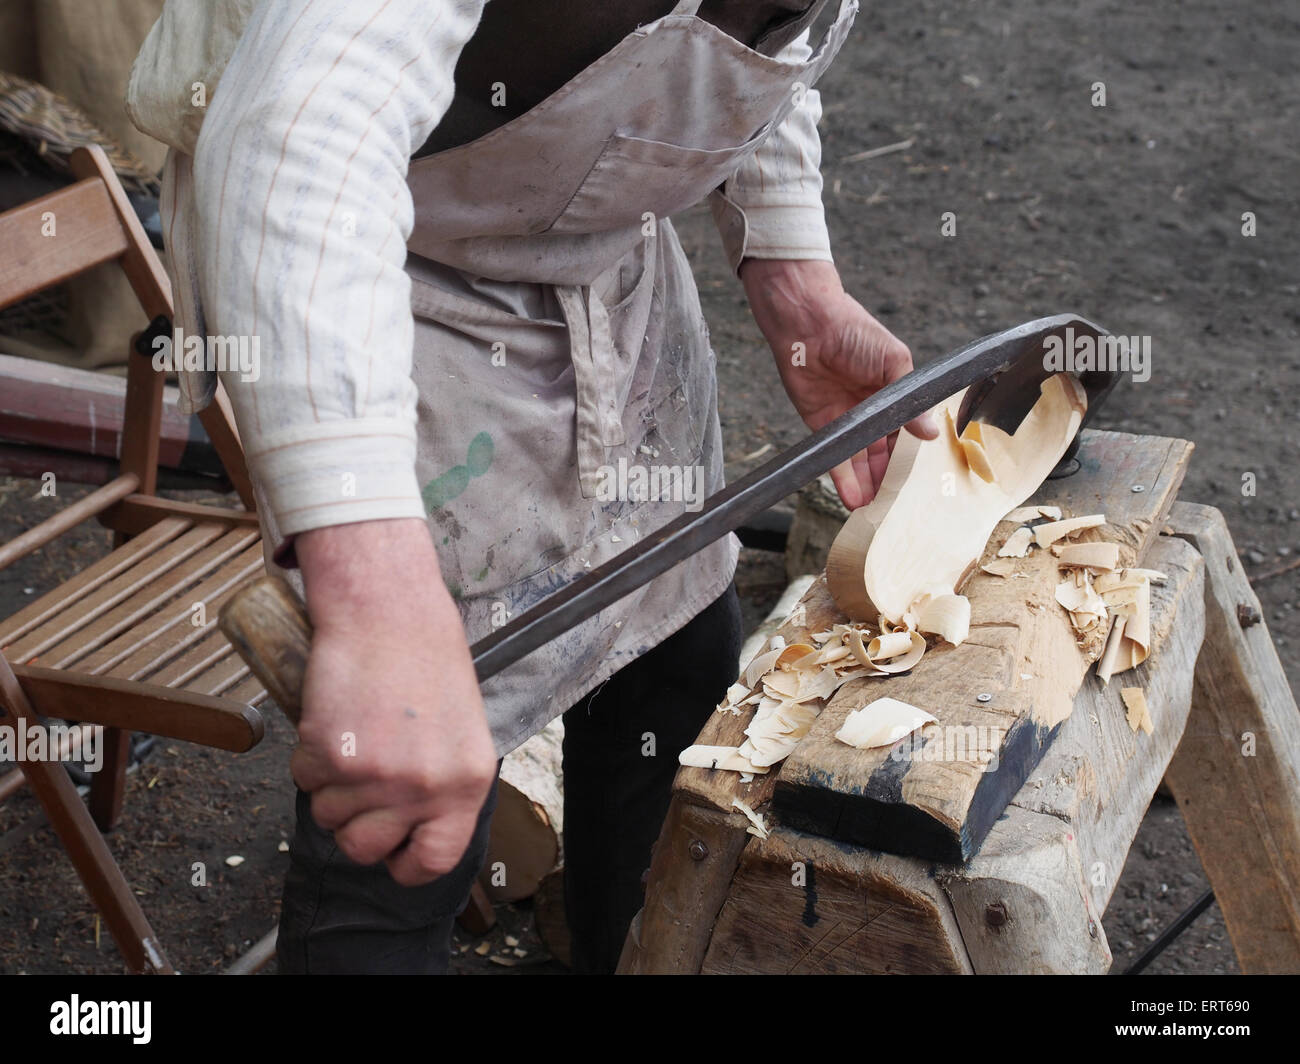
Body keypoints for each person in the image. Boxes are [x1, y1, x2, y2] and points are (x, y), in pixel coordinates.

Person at [126, 0, 937, 974]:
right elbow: (303, 133)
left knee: (673, 657)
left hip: (601, 252)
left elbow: (751, 44)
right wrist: (378, 601)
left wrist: (792, 270)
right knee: (413, 775)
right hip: (377, 274)